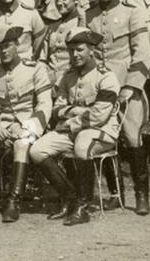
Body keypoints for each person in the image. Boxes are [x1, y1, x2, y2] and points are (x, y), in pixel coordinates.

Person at [28, 28, 121, 227]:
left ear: (91, 51)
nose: (74, 55)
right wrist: (77, 112)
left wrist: (72, 119)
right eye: (71, 51)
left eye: (79, 50)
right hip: (73, 131)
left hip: (103, 132)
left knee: (82, 146)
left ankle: (83, 206)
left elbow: (99, 115)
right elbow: (57, 110)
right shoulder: (67, 77)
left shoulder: (106, 76)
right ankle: (69, 198)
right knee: (36, 150)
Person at [87, 0, 150, 216]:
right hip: (100, 89)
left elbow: (142, 52)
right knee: (105, 138)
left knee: (132, 138)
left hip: (127, 85)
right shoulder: (89, 15)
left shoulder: (133, 12)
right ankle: (115, 194)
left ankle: (142, 195)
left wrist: (131, 86)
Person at [0, 23, 54, 223]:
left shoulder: (35, 69)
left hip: (30, 125)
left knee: (21, 144)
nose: (4, 50)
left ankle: (13, 201)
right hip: (3, 125)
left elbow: (45, 105)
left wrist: (25, 126)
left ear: (17, 44)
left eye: (8, 45)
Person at [42, 0, 89, 84]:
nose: (59, 3)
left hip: (72, 81)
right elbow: (43, 56)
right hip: (48, 80)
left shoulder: (82, 23)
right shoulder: (52, 26)